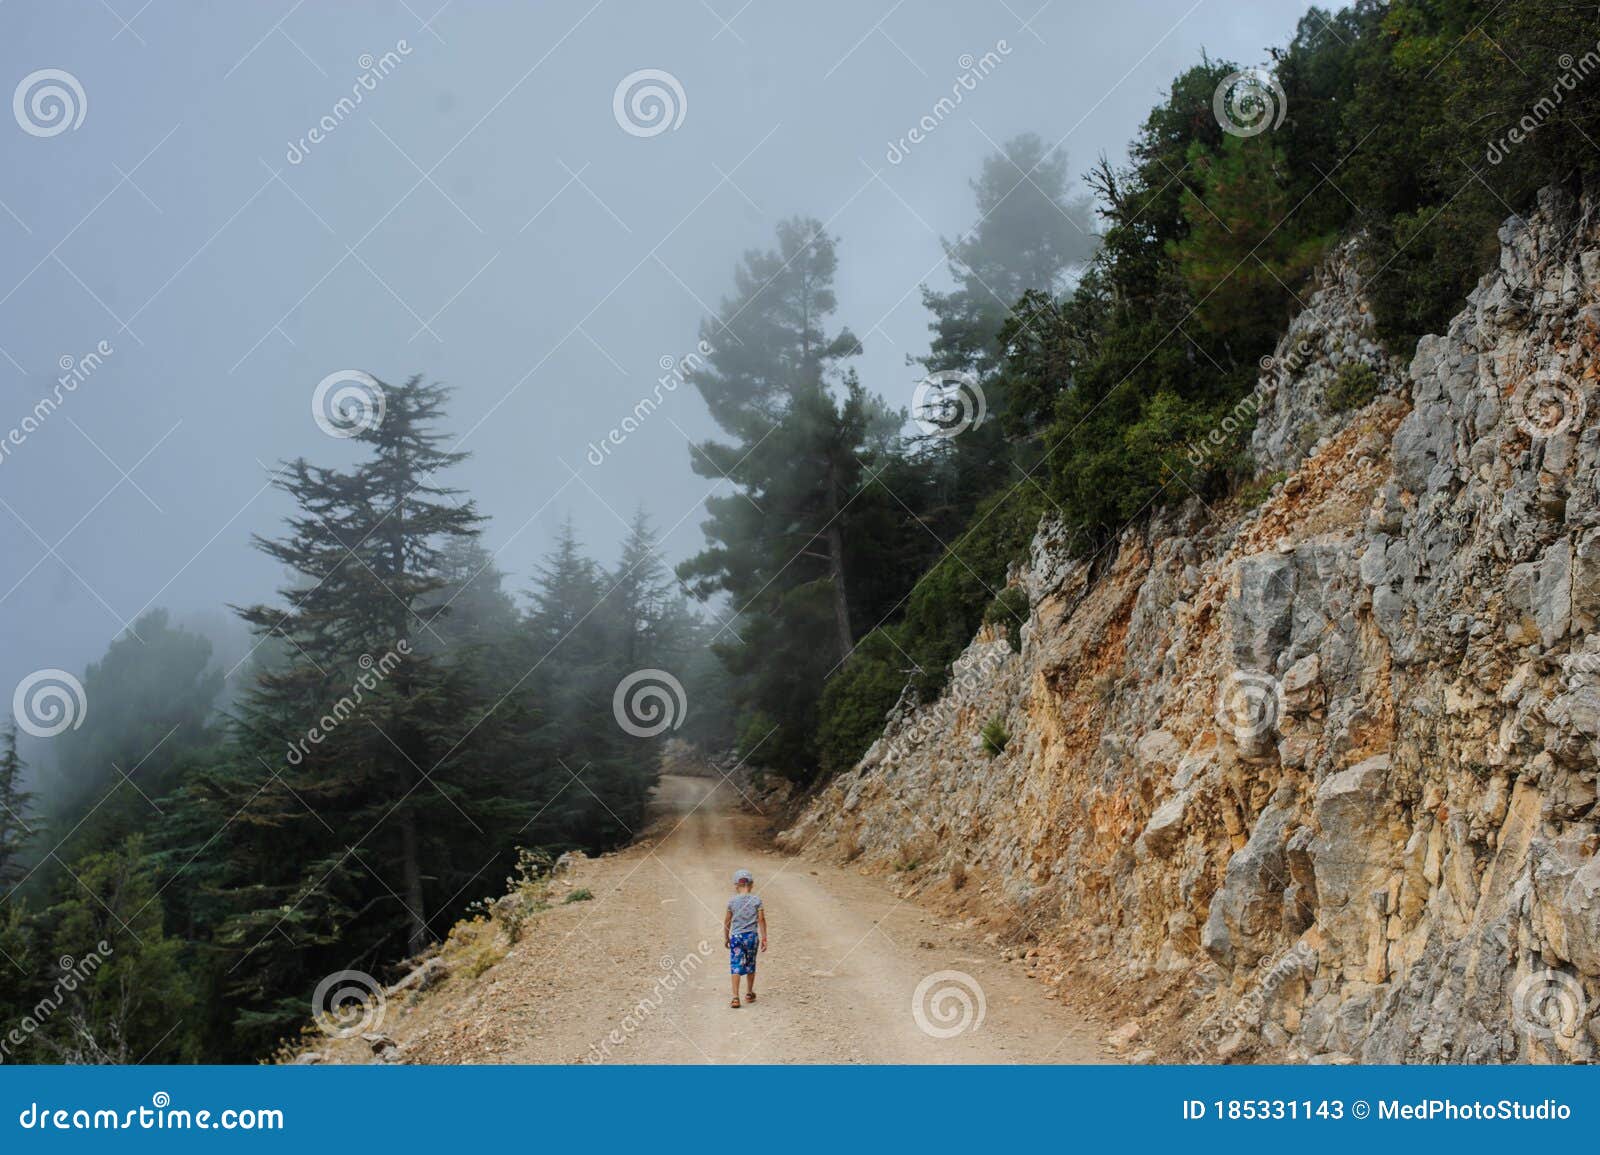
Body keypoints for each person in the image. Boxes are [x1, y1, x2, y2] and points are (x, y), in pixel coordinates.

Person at [723, 868, 767, 1008]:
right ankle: (749, 992)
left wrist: (726, 937)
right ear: (752, 884)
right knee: (751, 964)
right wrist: (764, 938)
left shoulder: (732, 902)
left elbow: (727, 921)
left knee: (735, 966)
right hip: (751, 937)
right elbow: (761, 920)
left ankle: (735, 997)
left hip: (736, 937)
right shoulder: (757, 900)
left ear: (736, 885)